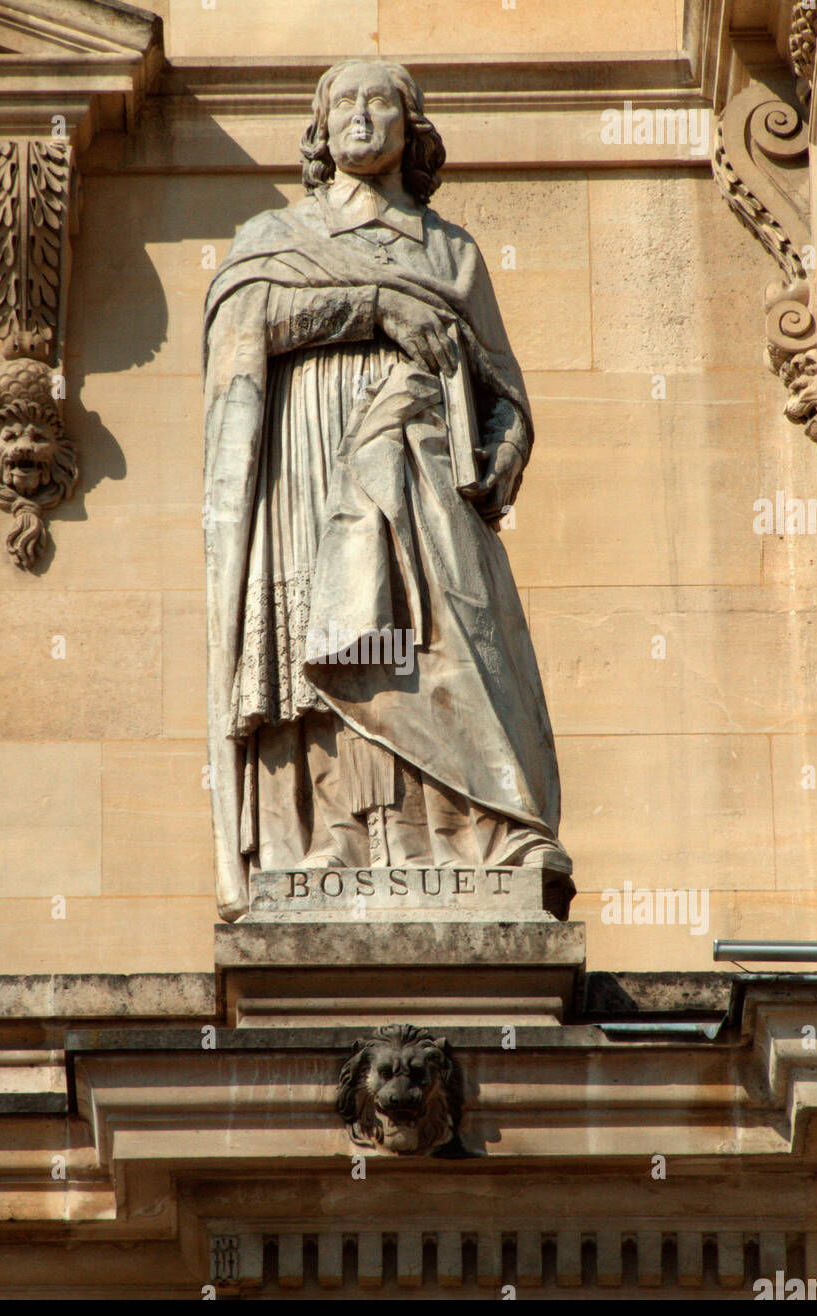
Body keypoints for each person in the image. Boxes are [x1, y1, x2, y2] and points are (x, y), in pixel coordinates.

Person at [203, 59, 572, 922]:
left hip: (426, 462)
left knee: (433, 634)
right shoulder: (270, 235)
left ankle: (446, 831)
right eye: (343, 103)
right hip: (308, 458)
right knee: (328, 634)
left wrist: (504, 450)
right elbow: (240, 330)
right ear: (319, 130)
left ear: (412, 129)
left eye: (380, 102)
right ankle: (327, 836)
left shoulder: (450, 250)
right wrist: (369, 307)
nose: (360, 116)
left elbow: (503, 387)